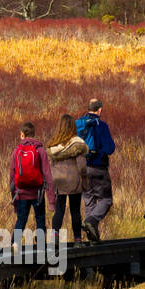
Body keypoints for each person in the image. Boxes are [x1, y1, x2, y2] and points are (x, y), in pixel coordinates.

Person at [75, 98, 115, 242]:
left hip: (82, 168)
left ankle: (93, 238)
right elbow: (110, 148)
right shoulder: (102, 126)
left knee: (89, 201)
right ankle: (91, 222)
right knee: (106, 199)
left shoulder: (79, 124)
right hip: (98, 168)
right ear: (100, 110)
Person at [47, 113, 89, 242]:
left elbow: (52, 165)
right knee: (75, 210)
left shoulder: (55, 145)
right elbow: (81, 166)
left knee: (59, 209)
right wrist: (85, 181)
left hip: (58, 180)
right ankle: (77, 238)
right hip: (73, 180)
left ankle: (55, 235)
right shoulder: (77, 144)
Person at [9, 121, 54, 237]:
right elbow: (48, 175)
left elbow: (12, 178)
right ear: (33, 134)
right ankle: (41, 246)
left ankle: (15, 244)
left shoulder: (16, 151)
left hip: (21, 193)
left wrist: (14, 199)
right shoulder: (40, 151)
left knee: (21, 221)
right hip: (37, 193)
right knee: (40, 220)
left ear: (22, 134)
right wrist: (51, 201)